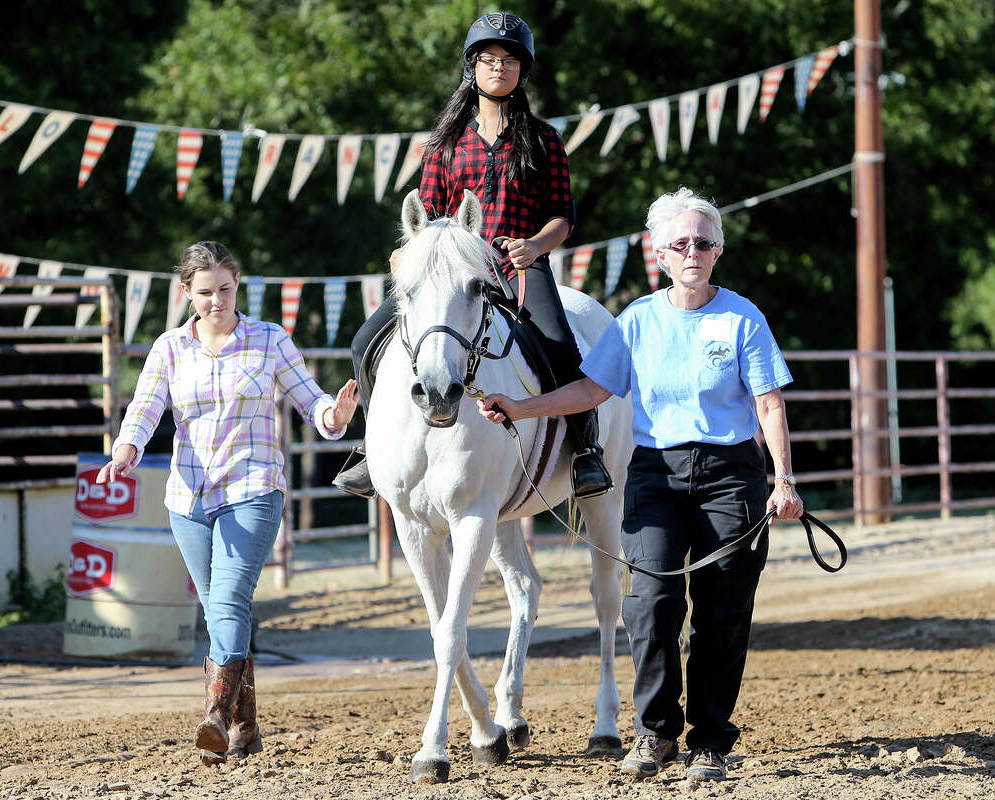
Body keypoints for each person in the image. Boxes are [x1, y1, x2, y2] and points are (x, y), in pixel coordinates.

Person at [477, 188, 803, 782]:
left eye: (704, 242)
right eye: (681, 243)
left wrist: (783, 478)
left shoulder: (742, 317)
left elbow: (768, 402)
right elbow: (589, 392)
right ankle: (655, 735)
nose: (693, 252)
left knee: (723, 610)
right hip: (656, 471)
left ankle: (709, 740)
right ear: (660, 253)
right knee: (649, 606)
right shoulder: (636, 322)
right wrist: (520, 407)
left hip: (732, 476)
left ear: (719, 250)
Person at [96, 242, 359, 766]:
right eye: (204, 292)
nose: (216, 301)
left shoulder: (269, 340)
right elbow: (143, 410)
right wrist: (125, 451)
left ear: (238, 283)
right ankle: (246, 727)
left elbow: (312, 403)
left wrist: (337, 415)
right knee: (217, 609)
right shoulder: (169, 348)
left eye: (225, 289)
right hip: (188, 497)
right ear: (186, 292)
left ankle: (215, 714)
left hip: (253, 490)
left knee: (229, 601)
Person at [332, 11, 612, 500]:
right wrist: (408, 253)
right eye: (488, 59)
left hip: (518, 265)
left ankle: (587, 450)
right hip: (454, 270)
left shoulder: (546, 140)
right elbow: (427, 214)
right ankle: (367, 450)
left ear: (522, 70)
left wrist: (535, 246)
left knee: (563, 350)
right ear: (472, 67)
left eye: (509, 60)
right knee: (363, 342)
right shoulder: (443, 145)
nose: (498, 68)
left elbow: (562, 216)